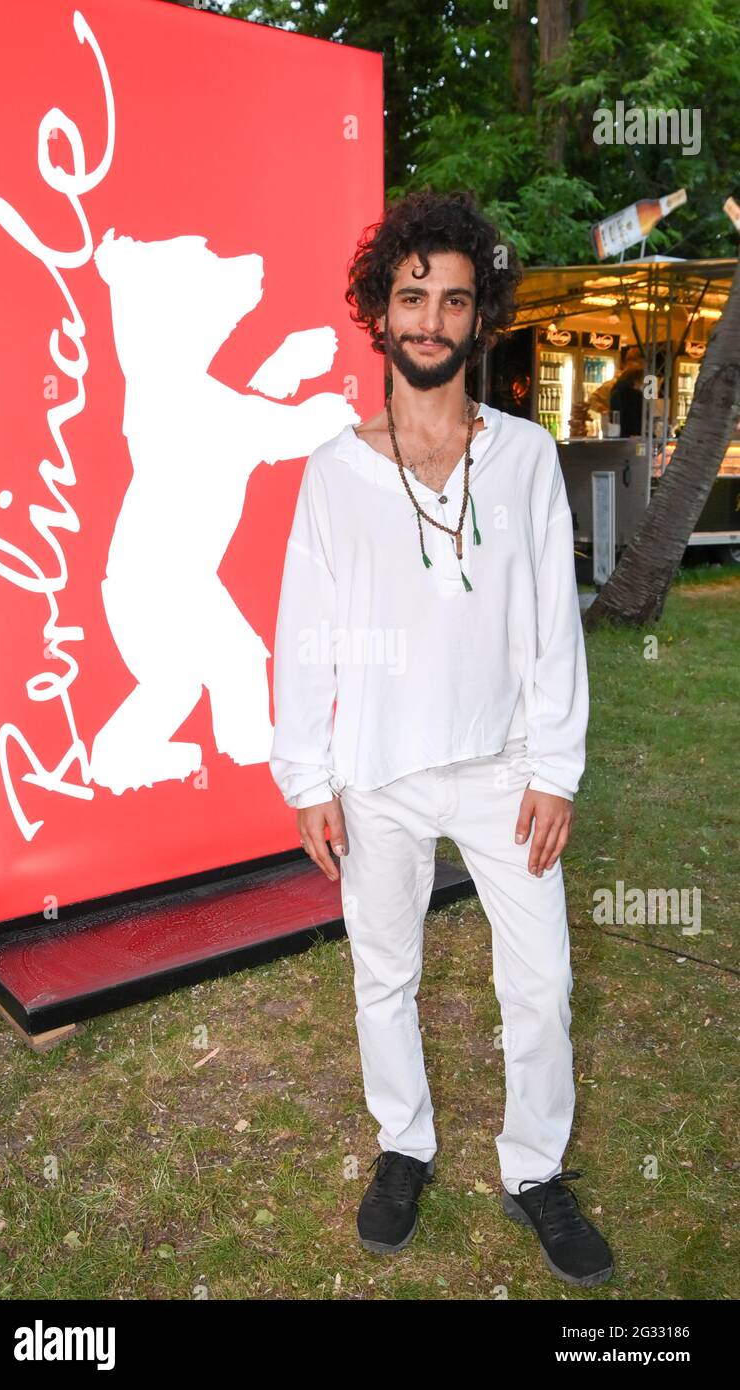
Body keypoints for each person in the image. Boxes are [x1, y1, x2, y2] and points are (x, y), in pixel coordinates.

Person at [269, 189, 614, 1287]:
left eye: (452, 301)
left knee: (541, 979)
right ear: (379, 310)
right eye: (410, 296)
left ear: (480, 320)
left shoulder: (520, 456)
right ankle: (403, 1144)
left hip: (503, 765)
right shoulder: (333, 472)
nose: (429, 320)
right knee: (384, 972)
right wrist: (306, 778)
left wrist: (554, 769)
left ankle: (533, 1167)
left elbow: (550, 628)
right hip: (375, 774)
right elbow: (302, 637)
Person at [586, 343, 644, 421]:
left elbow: (591, 400)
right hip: (621, 428)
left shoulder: (646, 384)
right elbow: (592, 400)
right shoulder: (612, 385)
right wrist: (608, 412)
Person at [609, 361, 645, 437]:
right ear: (636, 379)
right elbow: (639, 418)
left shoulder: (615, 392)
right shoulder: (637, 395)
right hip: (634, 435)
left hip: (617, 434)